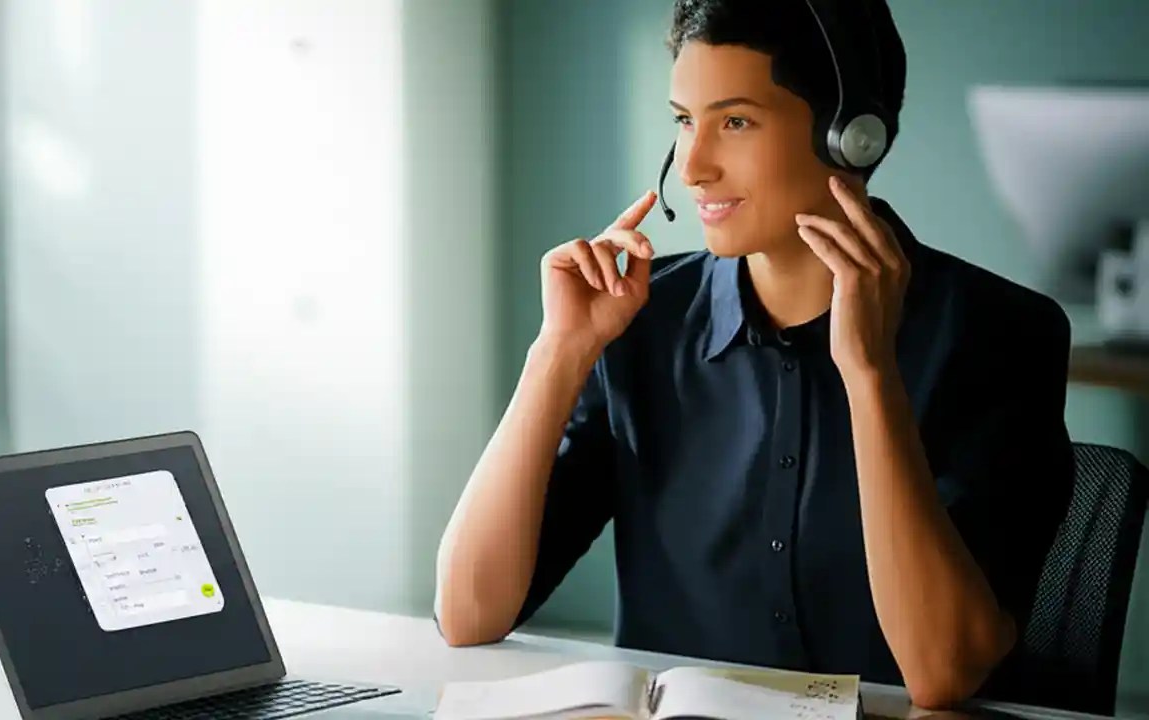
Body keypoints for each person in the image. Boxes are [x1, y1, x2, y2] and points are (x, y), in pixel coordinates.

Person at [434, 0, 1074, 710]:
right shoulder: (638, 322)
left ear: (851, 138)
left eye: (735, 122)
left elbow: (944, 673)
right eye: (684, 121)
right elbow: (469, 614)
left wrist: (869, 374)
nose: (692, 167)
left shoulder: (1000, 334)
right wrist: (557, 352)